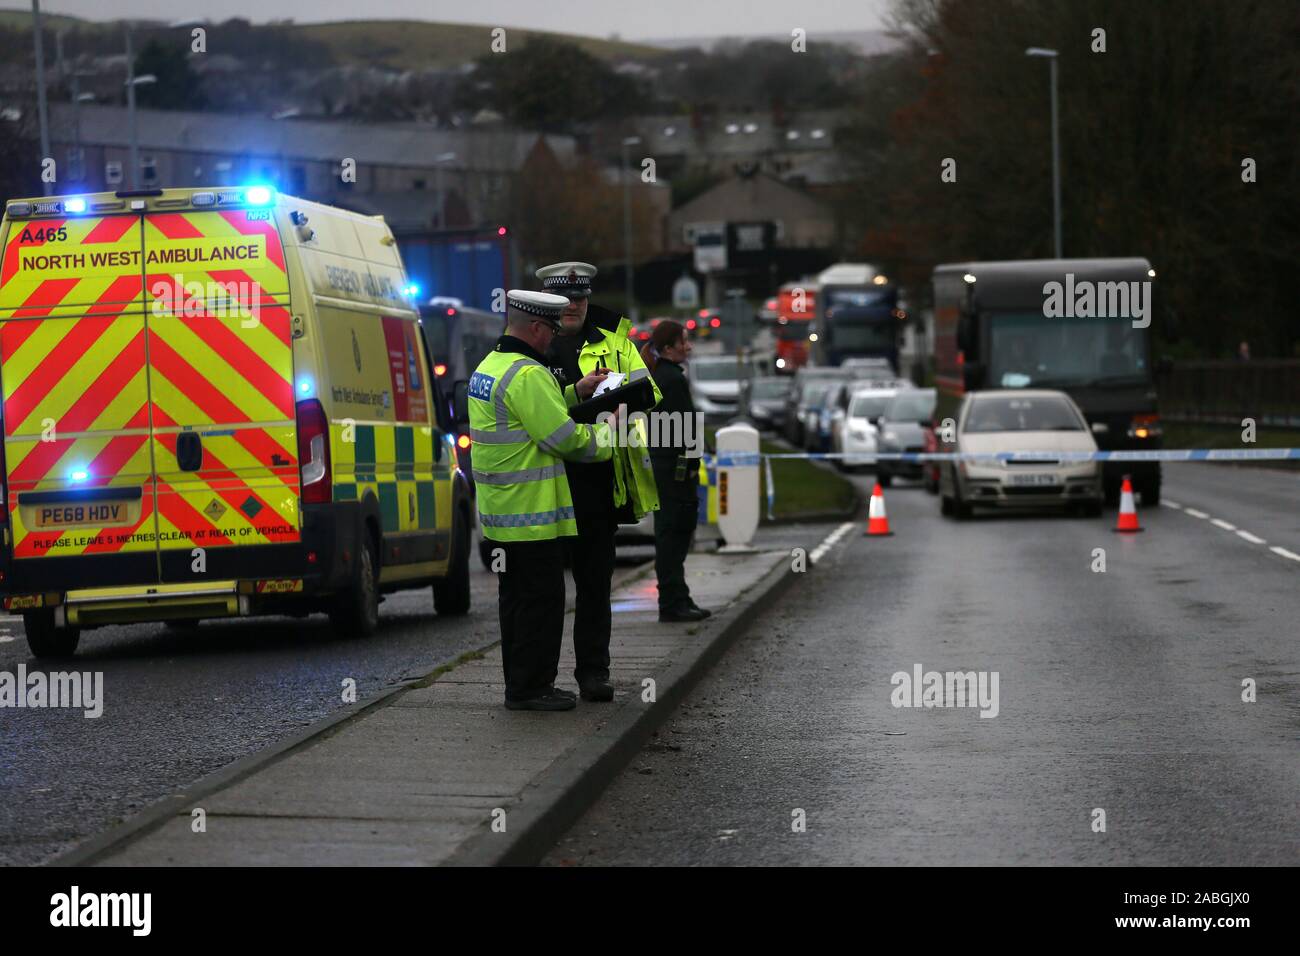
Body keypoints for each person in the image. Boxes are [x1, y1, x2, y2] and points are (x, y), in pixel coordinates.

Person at [468, 290, 616, 712]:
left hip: (501, 515)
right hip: (532, 517)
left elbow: (528, 413)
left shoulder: (492, 366)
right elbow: (564, 438)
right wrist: (609, 431)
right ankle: (532, 688)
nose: (553, 336)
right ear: (534, 327)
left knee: (514, 602)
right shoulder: (529, 375)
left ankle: (518, 682)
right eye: (550, 329)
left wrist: (574, 392)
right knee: (541, 604)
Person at [536, 261, 662, 701]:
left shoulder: (613, 341)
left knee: (594, 586)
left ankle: (593, 672)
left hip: (598, 480)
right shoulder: (536, 343)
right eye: (566, 299)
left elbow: (651, 393)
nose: (575, 306)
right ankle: (541, 681)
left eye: (582, 298)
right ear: (550, 302)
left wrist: (623, 397)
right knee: (547, 589)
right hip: (548, 480)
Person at [641, 320, 711, 623]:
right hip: (675, 472)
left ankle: (677, 597)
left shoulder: (662, 376)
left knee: (670, 534)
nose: (689, 346)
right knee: (674, 535)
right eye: (684, 342)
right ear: (668, 348)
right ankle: (672, 602)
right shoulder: (671, 379)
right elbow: (685, 429)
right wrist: (692, 466)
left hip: (666, 468)